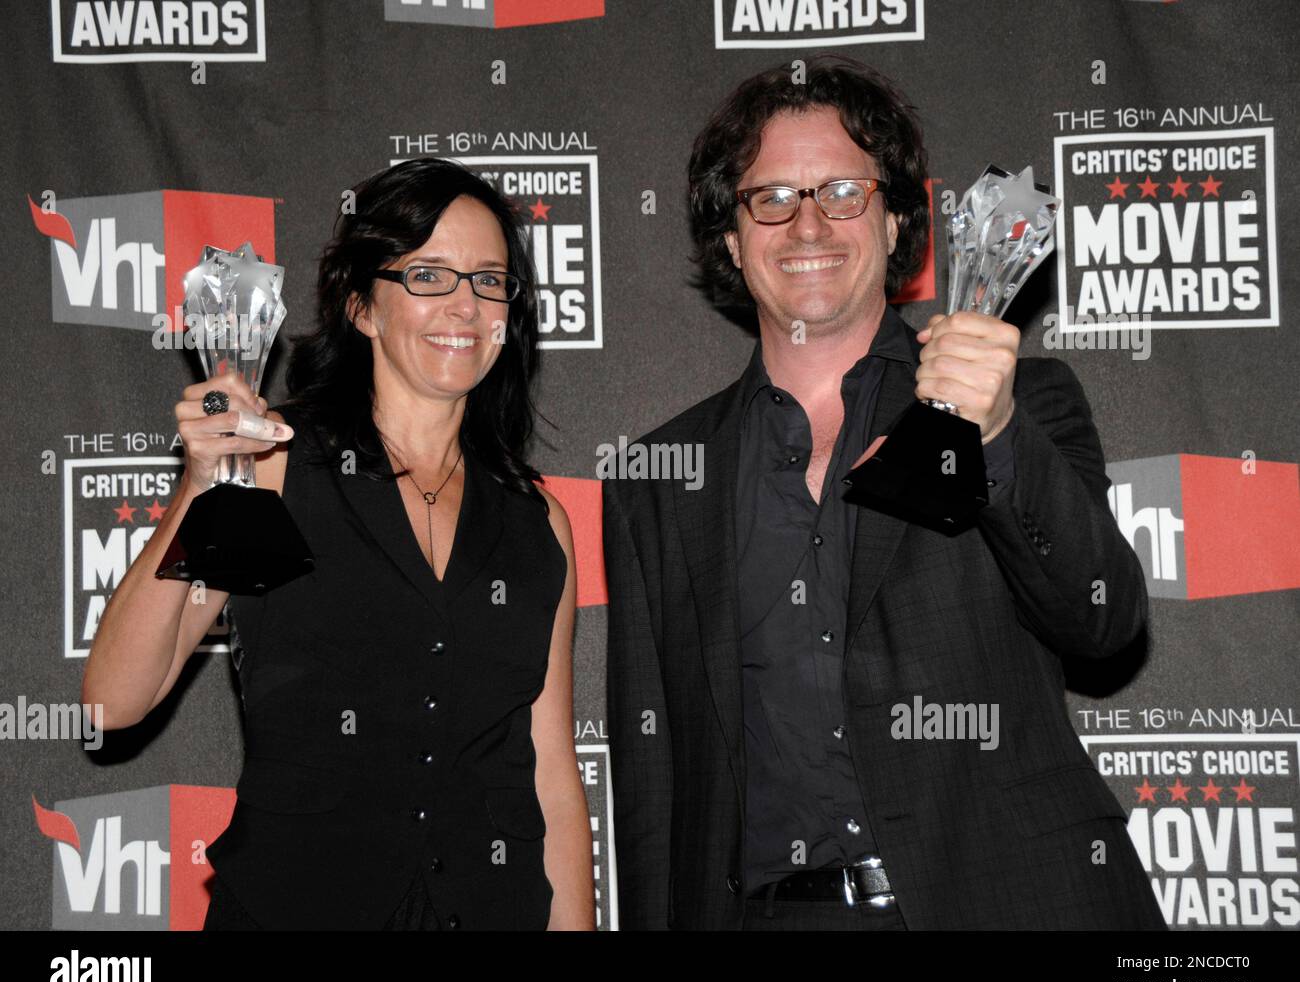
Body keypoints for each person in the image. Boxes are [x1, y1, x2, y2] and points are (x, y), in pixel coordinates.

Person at [603, 56, 1167, 931]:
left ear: (897, 215)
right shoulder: (659, 478)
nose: (808, 224)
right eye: (772, 198)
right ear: (730, 237)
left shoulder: (1025, 401)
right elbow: (652, 784)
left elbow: (1105, 624)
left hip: (1016, 902)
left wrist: (997, 434)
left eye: (842, 190)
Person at [83, 157, 595, 931]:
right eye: (428, 276)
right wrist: (204, 481)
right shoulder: (275, 467)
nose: (464, 304)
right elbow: (115, 702)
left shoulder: (536, 521)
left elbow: (551, 773)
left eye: (489, 281)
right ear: (361, 306)